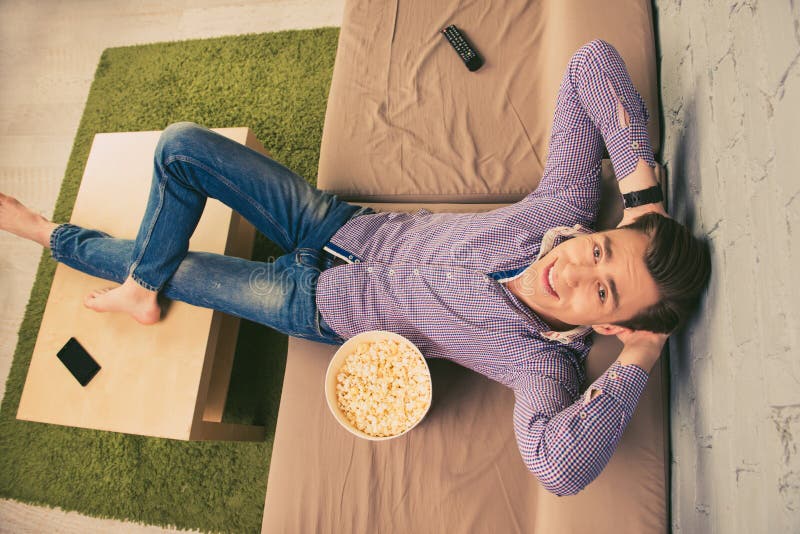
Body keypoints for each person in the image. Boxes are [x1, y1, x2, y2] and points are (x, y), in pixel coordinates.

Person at [0, 39, 710, 495]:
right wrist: (644, 198)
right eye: (600, 250)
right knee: (181, 145)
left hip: (311, 304)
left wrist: (639, 357)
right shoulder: (561, 205)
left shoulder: (543, 369)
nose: (576, 270)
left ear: (611, 323)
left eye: (603, 292)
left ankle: (52, 236)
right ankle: (143, 282)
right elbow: (591, 64)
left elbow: (557, 467)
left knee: (175, 269)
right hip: (334, 223)